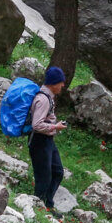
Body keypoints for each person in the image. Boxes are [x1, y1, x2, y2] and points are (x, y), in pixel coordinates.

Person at [29, 66, 67, 211]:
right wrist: (55, 127)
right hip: (39, 141)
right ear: (54, 83)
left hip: (47, 141)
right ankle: (37, 208)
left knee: (57, 172)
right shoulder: (43, 99)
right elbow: (37, 125)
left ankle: (47, 205)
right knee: (43, 177)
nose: (63, 85)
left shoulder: (48, 97)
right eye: (61, 82)